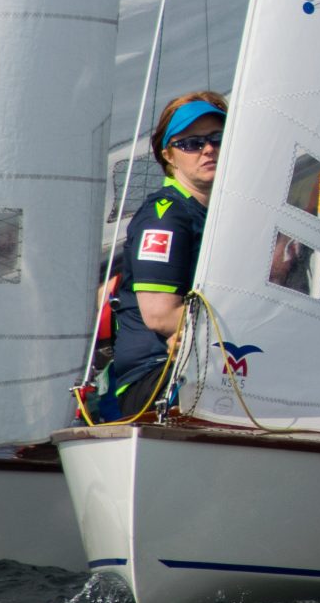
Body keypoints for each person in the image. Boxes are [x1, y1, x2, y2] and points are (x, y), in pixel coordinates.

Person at [97, 92, 228, 416]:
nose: (208, 149)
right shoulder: (164, 214)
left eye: (217, 138)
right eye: (192, 143)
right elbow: (160, 315)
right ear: (169, 155)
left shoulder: (227, 214)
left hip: (206, 366)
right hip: (155, 379)